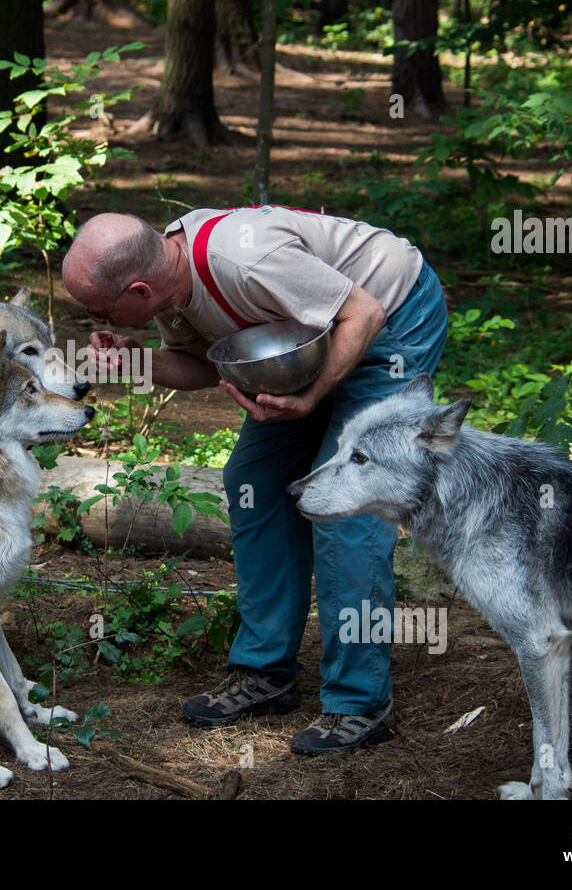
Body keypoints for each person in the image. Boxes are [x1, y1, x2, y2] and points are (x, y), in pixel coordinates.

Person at [60, 206, 449, 754]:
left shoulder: (245, 261)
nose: (95, 317)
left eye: (100, 308)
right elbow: (199, 367)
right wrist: (138, 361)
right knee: (254, 480)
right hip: (313, 334)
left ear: (140, 289)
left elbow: (364, 313)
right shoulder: (170, 287)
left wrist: (312, 398)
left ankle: (360, 702)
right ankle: (266, 672)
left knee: (346, 510)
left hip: (390, 317)